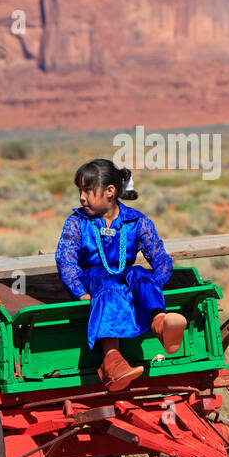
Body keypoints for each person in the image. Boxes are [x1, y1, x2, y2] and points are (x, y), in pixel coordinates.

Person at [55, 159, 185, 391]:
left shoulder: (136, 221)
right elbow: (66, 260)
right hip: (93, 278)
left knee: (141, 275)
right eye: (80, 191)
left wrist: (153, 287)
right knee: (110, 287)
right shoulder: (77, 223)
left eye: (87, 190)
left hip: (125, 275)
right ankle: (112, 361)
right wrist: (80, 293)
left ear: (110, 192)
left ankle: (160, 324)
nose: (82, 197)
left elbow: (160, 258)